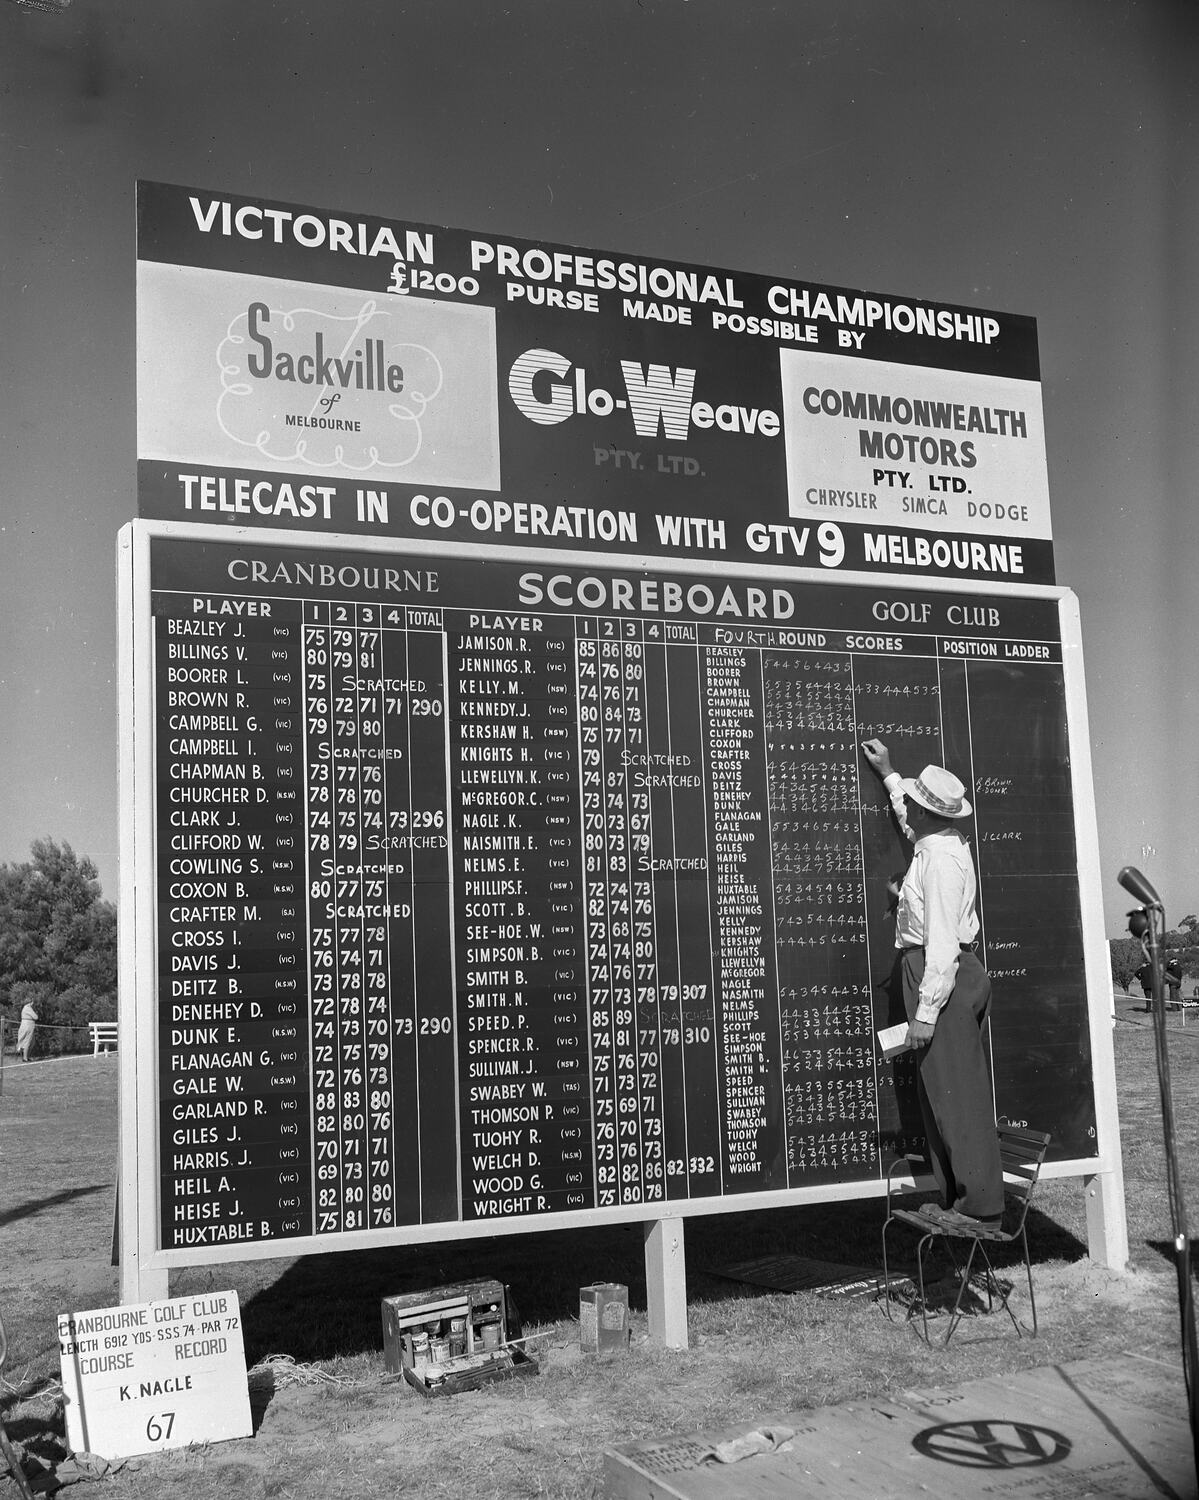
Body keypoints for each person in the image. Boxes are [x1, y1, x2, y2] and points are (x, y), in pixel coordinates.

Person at [861, 739, 1004, 1231]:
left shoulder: (940, 863)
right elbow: (908, 821)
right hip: (934, 971)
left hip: (941, 974)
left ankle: (980, 1204)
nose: (911, 812)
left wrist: (925, 1013)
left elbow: (942, 944)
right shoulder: (937, 844)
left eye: (916, 805)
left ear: (929, 812)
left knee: (957, 1093)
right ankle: (956, 1198)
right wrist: (889, 775)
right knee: (939, 1091)